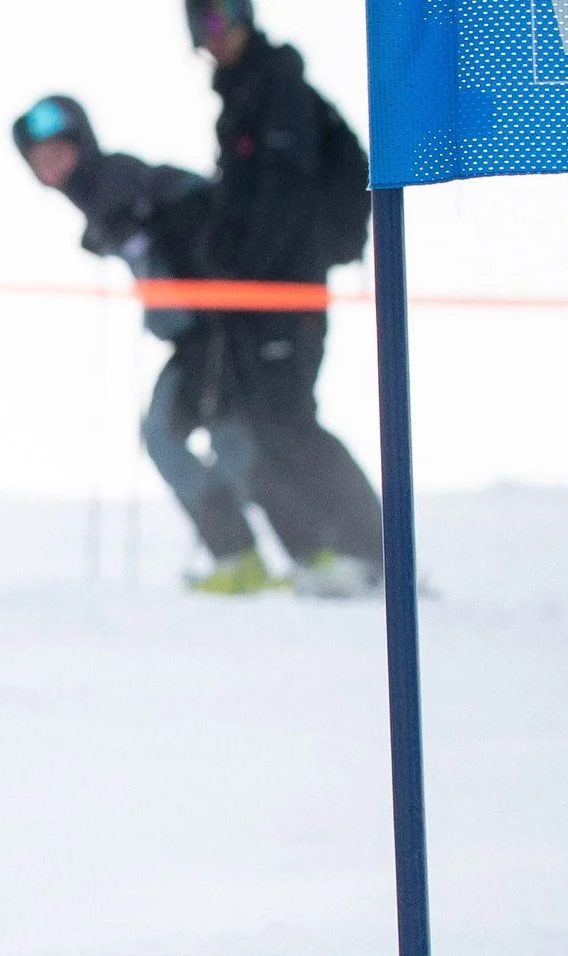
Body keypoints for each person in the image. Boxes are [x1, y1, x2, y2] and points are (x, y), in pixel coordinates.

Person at [12, 95, 278, 595]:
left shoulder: (111, 179)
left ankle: (268, 552)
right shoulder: (100, 193)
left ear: (82, 144)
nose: (49, 164)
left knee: (217, 440)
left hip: (213, 333)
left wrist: (158, 255)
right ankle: (244, 557)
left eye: (58, 149)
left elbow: (190, 203)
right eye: (38, 157)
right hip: (200, 334)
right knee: (197, 437)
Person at [186, 0, 386, 598]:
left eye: (222, 19)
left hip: (284, 289)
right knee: (269, 425)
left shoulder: (275, 87)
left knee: (290, 422)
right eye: (201, 26)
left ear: (246, 16)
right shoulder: (247, 93)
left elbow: (283, 194)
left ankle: (373, 550)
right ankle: (343, 549)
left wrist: (243, 273)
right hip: (264, 291)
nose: (213, 36)